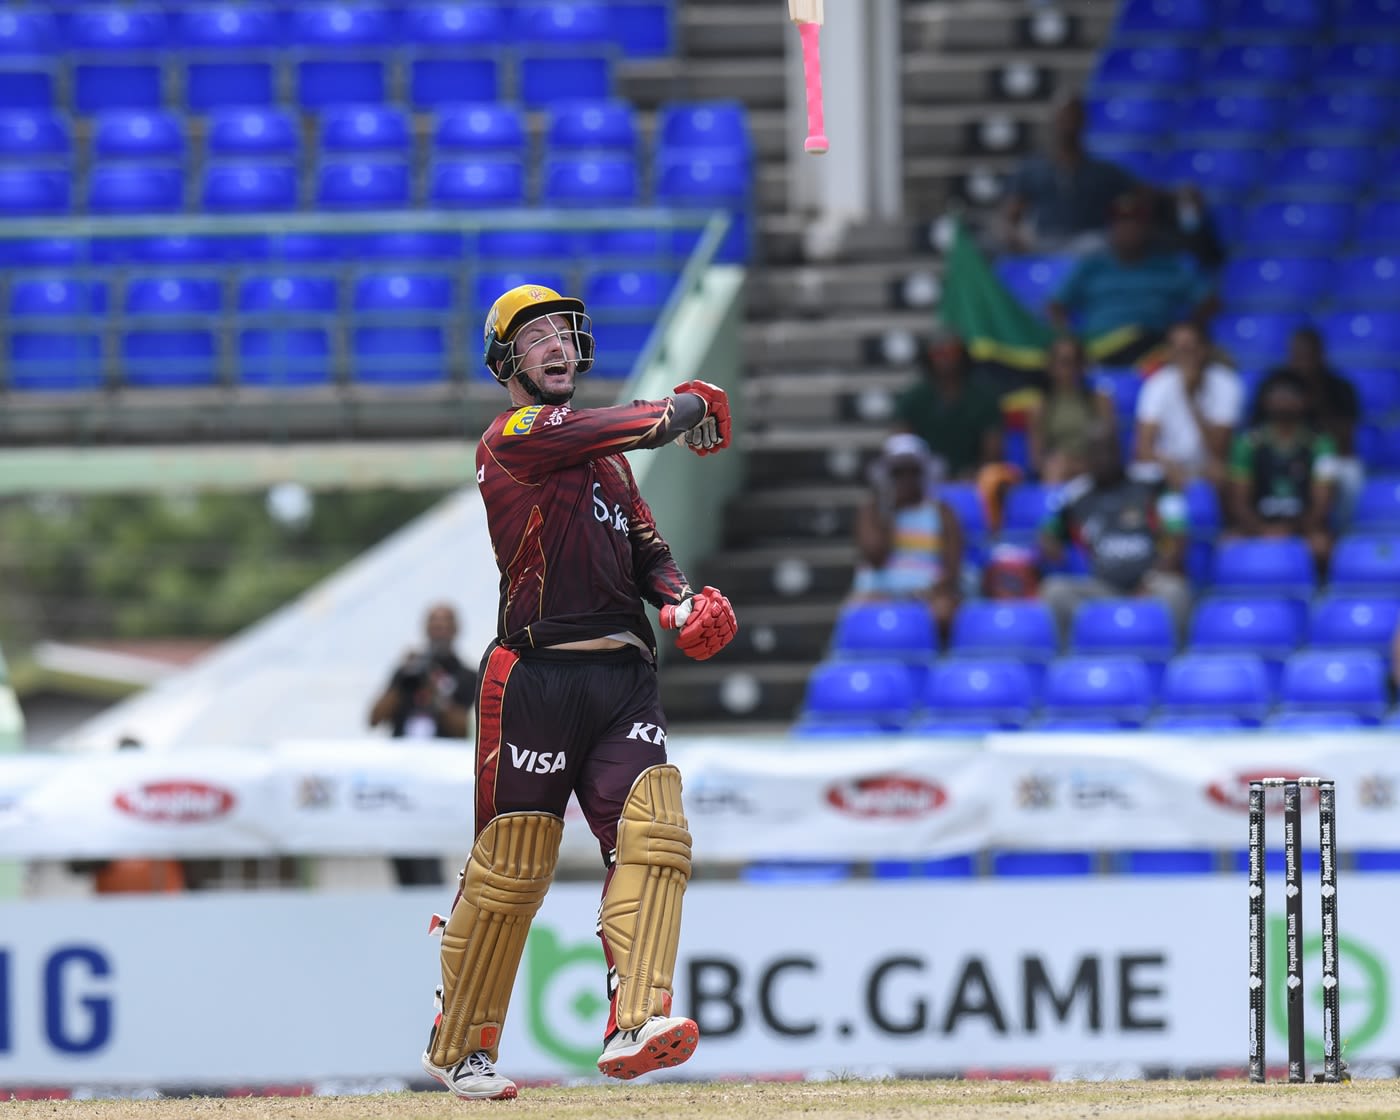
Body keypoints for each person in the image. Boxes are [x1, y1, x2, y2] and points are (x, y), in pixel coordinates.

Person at [421, 283, 738, 1101]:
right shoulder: (516, 438)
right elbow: (629, 422)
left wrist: (680, 600)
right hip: (534, 676)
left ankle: (637, 1021)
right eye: (536, 339)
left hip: (623, 680)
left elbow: (648, 550)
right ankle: (463, 1047)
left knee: (656, 837)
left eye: (565, 332)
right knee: (512, 870)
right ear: (507, 364)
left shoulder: (605, 464)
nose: (558, 346)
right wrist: (685, 403)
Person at [1038, 427, 1192, 642]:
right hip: (1103, 589)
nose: (1103, 459)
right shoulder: (1075, 495)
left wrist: (1154, 576)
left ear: (1120, 452)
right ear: (1087, 458)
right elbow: (1048, 537)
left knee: (1175, 592)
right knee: (1055, 590)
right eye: (1096, 453)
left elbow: (1178, 534)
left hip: (1150, 583)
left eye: (1108, 451)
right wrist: (1053, 544)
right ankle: (1075, 662)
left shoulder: (1152, 482)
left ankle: (1174, 662)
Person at [368, 602, 479, 887]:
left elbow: (462, 726)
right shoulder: (408, 670)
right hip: (401, 774)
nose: (438, 629)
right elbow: (374, 718)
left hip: (438, 776)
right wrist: (403, 679)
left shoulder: (465, 674)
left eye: (445, 623)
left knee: (429, 848)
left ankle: (432, 907)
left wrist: (435, 692)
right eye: (434, 623)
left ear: (455, 630)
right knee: (400, 849)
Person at [1048, 195, 1218, 366]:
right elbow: (1056, 306)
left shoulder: (1167, 267)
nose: (1128, 229)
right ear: (1111, 228)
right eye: (1121, 223)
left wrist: (1186, 327)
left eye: (1134, 223)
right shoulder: (1092, 266)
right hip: (1100, 345)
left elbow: (1209, 301)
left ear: (1147, 228)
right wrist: (1069, 337)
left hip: (1153, 347)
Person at [851, 433, 964, 643]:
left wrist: (925, 593)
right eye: (898, 473)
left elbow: (953, 568)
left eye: (913, 471)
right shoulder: (871, 511)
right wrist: (889, 513)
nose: (906, 479)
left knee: (944, 613)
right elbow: (876, 557)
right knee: (857, 612)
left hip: (928, 593)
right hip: (878, 592)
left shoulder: (943, 512)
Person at [999, 93, 1141, 255]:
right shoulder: (1031, 169)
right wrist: (1012, 235)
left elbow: (1134, 200)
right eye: (1063, 118)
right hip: (1045, 240)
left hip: (1090, 242)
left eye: (1074, 118)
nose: (1068, 125)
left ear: (1083, 122)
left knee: (1097, 246)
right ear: (1053, 121)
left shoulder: (1104, 171)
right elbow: (1010, 216)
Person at [1249, 326, 1363, 522]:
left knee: (1350, 473)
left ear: (1321, 355)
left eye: (1308, 353)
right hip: (1276, 454)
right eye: (1297, 353)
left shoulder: (1340, 388)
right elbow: (1256, 433)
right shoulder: (1274, 383)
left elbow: (1345, 442)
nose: (1302, 359)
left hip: (1322, 454)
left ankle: (1343, 531)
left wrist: (1313, 394)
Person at [1228, 373, 1339, 573]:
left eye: (1290, 394)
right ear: (1265, 401)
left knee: (1322, 546)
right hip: (1257, 523)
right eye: (1278, 394)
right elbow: (1238, 502)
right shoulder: (1246, 444)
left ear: (1304, 401)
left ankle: (1318, 599)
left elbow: (1322, 504)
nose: (1284, 400)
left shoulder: (1321, 444)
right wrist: (1263, 530)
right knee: (1227, 546)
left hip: (1303, 526)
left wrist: (1290, 530)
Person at [1133, 319, 1244, 491]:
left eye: (1192, 349)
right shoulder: (1157, 384)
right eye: (1180, 350)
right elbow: (1143, 448)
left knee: (1219, 471)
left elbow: (1218, 450)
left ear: (1205, 348)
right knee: (1141, 473)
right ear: (1170, 352)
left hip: (1207, 467)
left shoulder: (1226, 383)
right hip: (1168, 468)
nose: (1187, 356)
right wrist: (1168, 465)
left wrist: (1191, 397)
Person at [893, 334, 1004, 481]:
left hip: (971, 480)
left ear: (962, 356)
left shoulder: (983, 399)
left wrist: (976, 472)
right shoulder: (914, 398)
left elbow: (992, 452)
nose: (945, 359)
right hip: (923, 478)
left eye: (951, 352)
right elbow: (901, 445)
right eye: (938, 353)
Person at [1027, 336, 1117, 483]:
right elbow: (1036, 460)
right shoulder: (1040, 407)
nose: (1071, 369)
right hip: (1058, 471)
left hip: (1095, 470)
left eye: (1076, 362)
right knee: (1055, 468)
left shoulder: (1100, 401)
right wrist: (1061, 464)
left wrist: (1078, 465)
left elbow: (1110, 451)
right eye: (1064, 363)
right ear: (1051, 367)